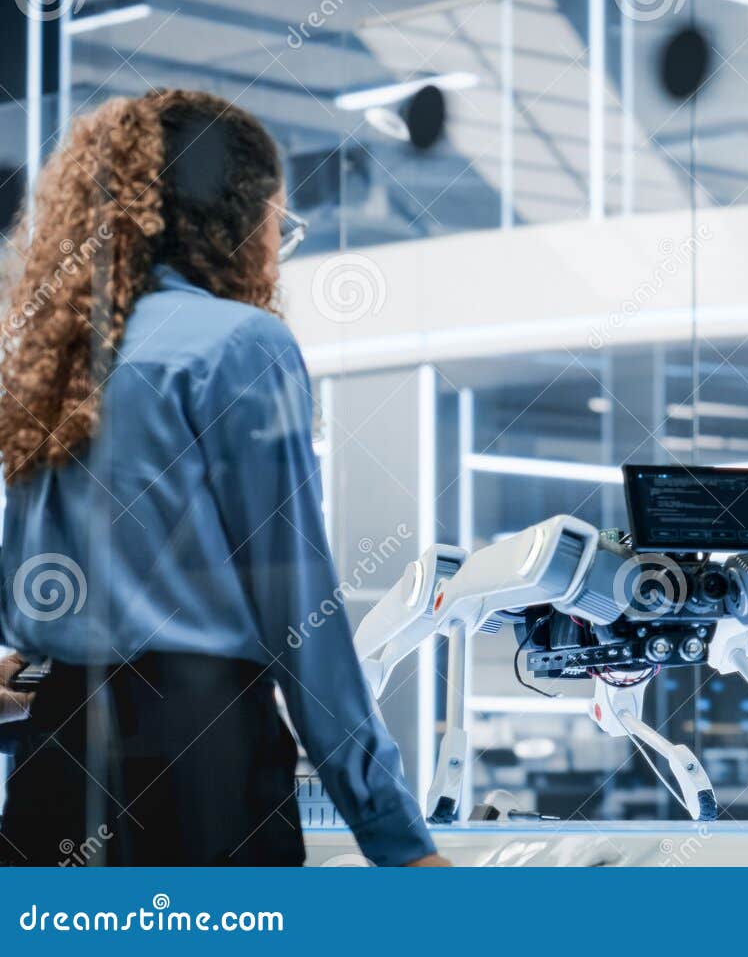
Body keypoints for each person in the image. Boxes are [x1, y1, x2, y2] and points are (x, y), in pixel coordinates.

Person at [0, 89, 445, 866]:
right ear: (235, 218)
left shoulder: (54, 356)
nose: (279, 243)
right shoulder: (239, 345)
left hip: (54, 751)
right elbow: (299, 612)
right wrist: (393, 834)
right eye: (281, 220)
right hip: (202, 756)